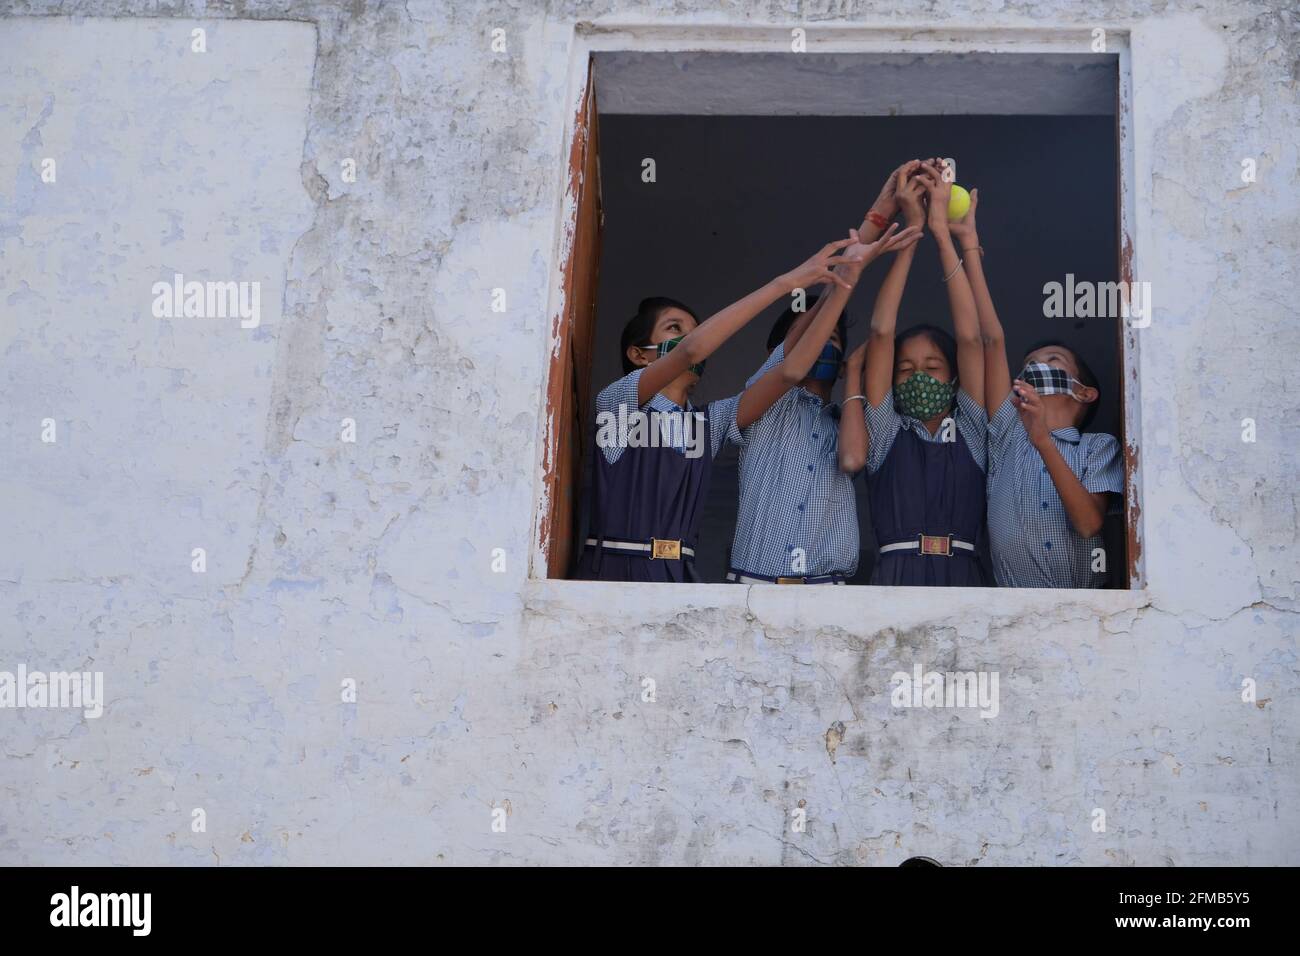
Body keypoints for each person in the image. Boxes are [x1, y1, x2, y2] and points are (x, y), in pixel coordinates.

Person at [574, 231, 906, 582]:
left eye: (696, 330)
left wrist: (849, 268)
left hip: (678, 577)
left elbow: (791, 367)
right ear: (639, 354)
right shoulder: (617, 405)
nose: (690, 337)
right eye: (675, 328)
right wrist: (785, 283)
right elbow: (692, 350)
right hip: (613, 571)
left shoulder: (710, 422)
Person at [953, 187, 1125, 587]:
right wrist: (968, 245)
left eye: (1053, 362)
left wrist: (1044, 441)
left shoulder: (1097, 448)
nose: (1036, 368)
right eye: (1029, 365)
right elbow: (991, 339)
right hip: (1010, 609)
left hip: (1082, 611)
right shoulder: (1008, 434)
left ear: (1084, 392)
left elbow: (1087, 525)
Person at [841, 161, 992, 586]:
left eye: (931, 367)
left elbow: (971, 339)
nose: (917, 377)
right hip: (895, 576)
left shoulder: (974, 430)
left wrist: (943, 236)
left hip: (963, 577)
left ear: (954, 377)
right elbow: (881, 330)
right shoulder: (887, 429)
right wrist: (912, 232)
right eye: (905, 369)